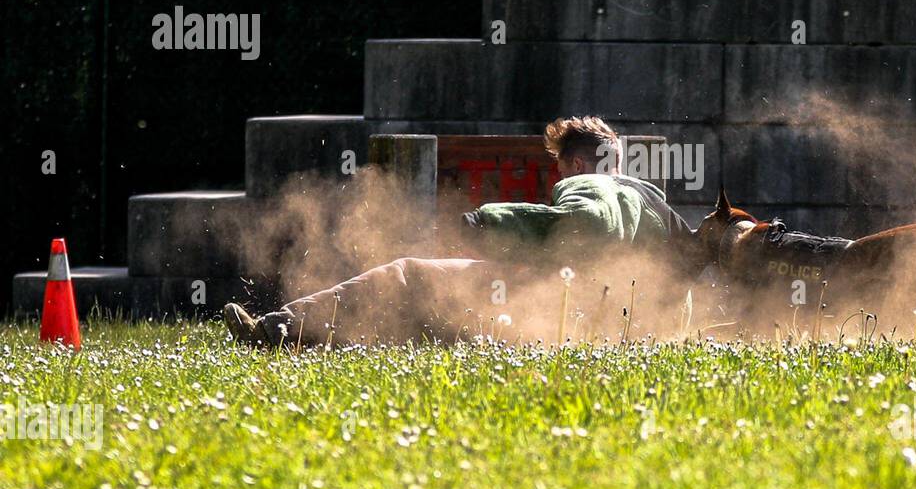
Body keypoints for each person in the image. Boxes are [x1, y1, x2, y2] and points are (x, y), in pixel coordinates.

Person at [222, 116, 699, 346]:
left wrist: (489, 218)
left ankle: (274, 329)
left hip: (546, 295)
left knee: (405, 274)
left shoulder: (590, 185)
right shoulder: (655, 204)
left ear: (574, 164)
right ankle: (320, 340)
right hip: (606, 321)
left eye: (560, 169)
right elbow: (695, 252)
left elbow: (586, 226)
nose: (560, 178)